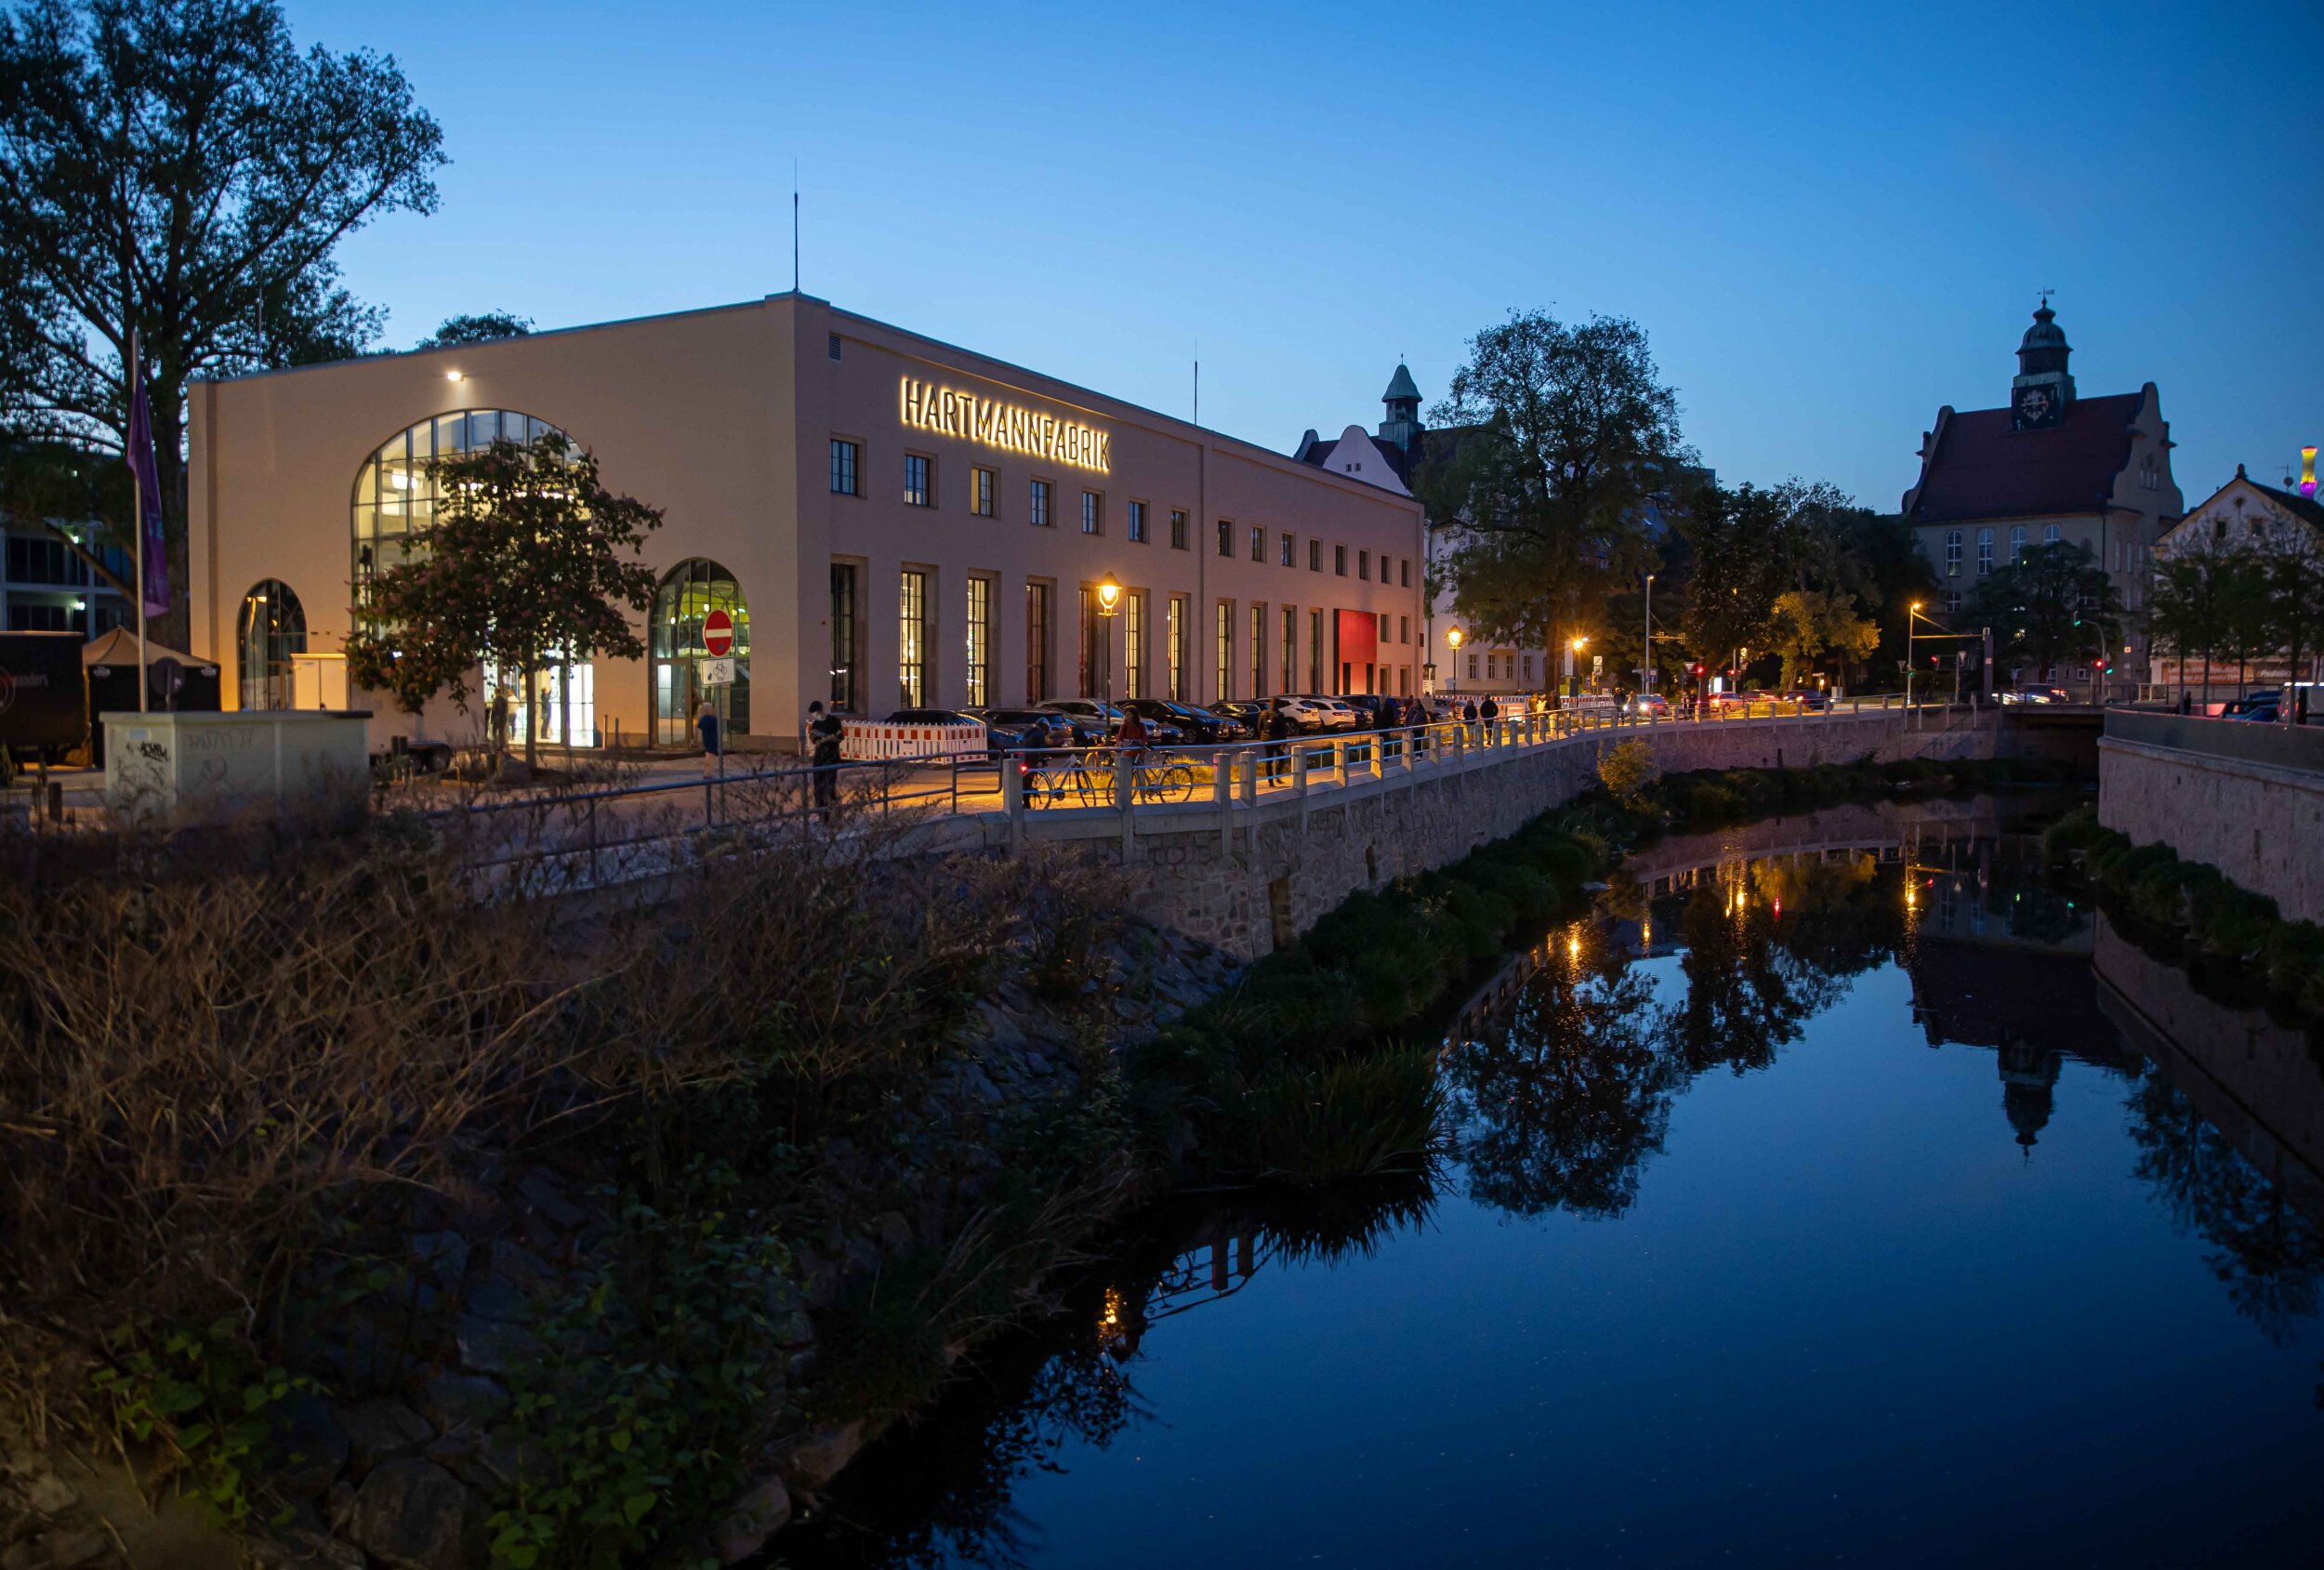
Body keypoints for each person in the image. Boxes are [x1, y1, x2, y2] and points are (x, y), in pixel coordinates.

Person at [807, 699, 844, 823]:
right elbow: (813, 736)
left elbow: (839, 736)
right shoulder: (816, 724)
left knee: (829, 786)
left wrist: (827, 739)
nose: (815, 716)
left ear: (821, 710)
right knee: (818, 787)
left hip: (831, 757)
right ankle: (823, 816)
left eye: (816, 713)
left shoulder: (833, 721)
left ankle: (833, 814)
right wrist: (817, 741)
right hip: (819, 758)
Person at [695, 697, 721, 778]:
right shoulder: (713, 719)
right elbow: (717, 729)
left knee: (708, 756)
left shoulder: (703, 719)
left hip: (706, 738)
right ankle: (708, 773)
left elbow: (699, 729)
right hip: (712, 739)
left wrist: (699, 739)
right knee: (710, 757)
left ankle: (707, 772)